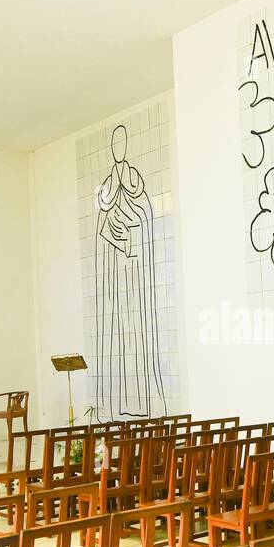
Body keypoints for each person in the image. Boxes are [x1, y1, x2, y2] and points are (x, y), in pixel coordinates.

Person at [94, 124, 167, 418]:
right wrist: (114, 234)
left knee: (137, 334)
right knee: (119, 337)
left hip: (136, 276)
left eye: (123, 144)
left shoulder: (137, 187)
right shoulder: (107, 190)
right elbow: (102, 229)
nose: (119, 150)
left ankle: (140, 401)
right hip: (116, 278)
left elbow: (146, 218)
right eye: (116, 145)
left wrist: (131, 236)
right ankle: (117, 403)